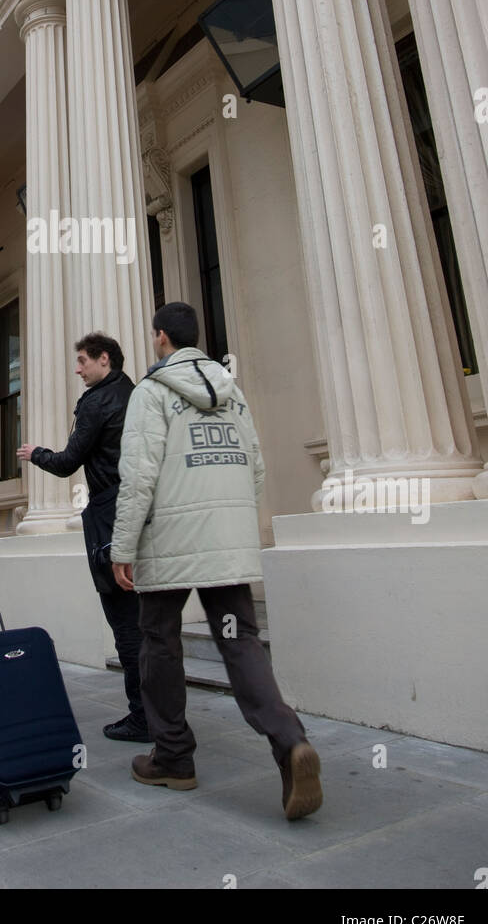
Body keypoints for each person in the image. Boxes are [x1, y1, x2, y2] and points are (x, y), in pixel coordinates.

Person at [110, 301, 322, 820]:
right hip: (226, 539)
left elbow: (138, 478)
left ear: (161, 338)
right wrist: (232, 520)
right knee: (239, 640)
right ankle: (289, 739)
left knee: (159, 640)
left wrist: (123, 547)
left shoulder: (151, 392)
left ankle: (174, 757)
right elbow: (256, 466)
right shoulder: (233, 391)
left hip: (169, 540)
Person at [17, 333, 150, 743]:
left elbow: (67, 462)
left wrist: (36, 453)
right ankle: (164, 712)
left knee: (126, 623)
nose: (77, 369)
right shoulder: (137, 393)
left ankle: (144, 717)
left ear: (102, 359)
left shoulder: (95, 402)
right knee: (153, 622)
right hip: (147, 514)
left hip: (111, 519)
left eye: (81, 361)